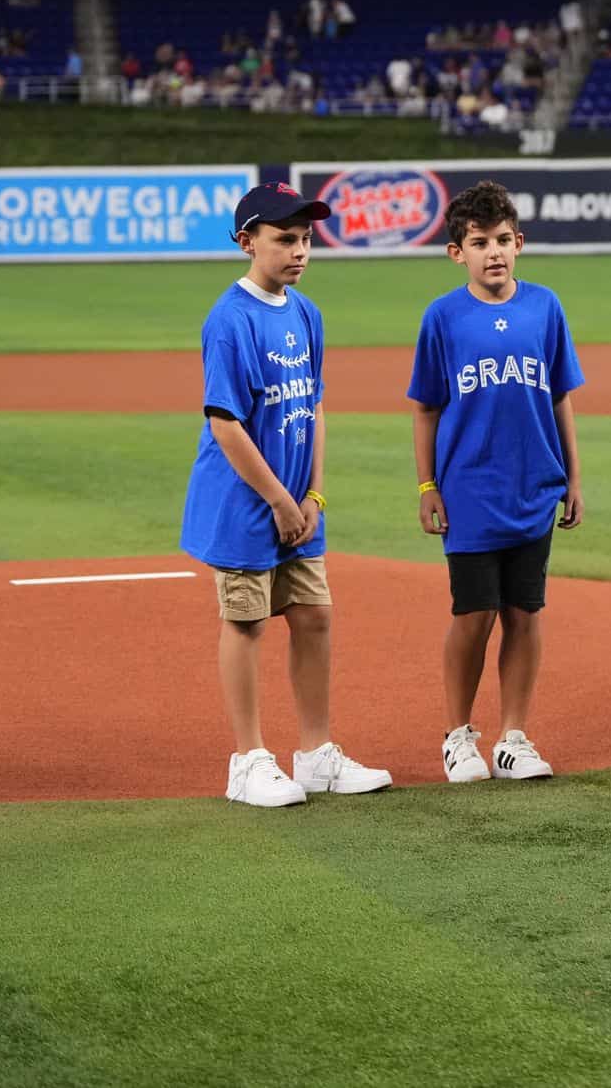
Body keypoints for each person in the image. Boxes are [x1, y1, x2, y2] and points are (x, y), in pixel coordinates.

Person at [181, 182, 393, 807]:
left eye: (305, 240)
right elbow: (225, 423)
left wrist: (314, 497)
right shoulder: (230, 319)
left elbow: (314, 403)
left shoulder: (306, 313)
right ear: (247, 241)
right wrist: (278, 499)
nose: (299, 251)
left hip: (299, 505)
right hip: (246, 502)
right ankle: (247, 761)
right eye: (284, 239)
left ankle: (315, 755)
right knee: (246, 622)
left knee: (314, 616)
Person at [408, 182, 586, 784]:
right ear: (456, 252)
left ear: (520, 243)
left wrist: (573, 478)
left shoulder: (546, 306)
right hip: (469, 491)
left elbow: (559, 397)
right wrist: (426, 486)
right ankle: (458, 736)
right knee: (473, 614)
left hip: (535, 485)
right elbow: (427, 408)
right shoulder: (443, 317)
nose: (494, 253)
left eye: (503, 240)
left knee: (525, 612)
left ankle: (513, 737)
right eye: (479, 242)